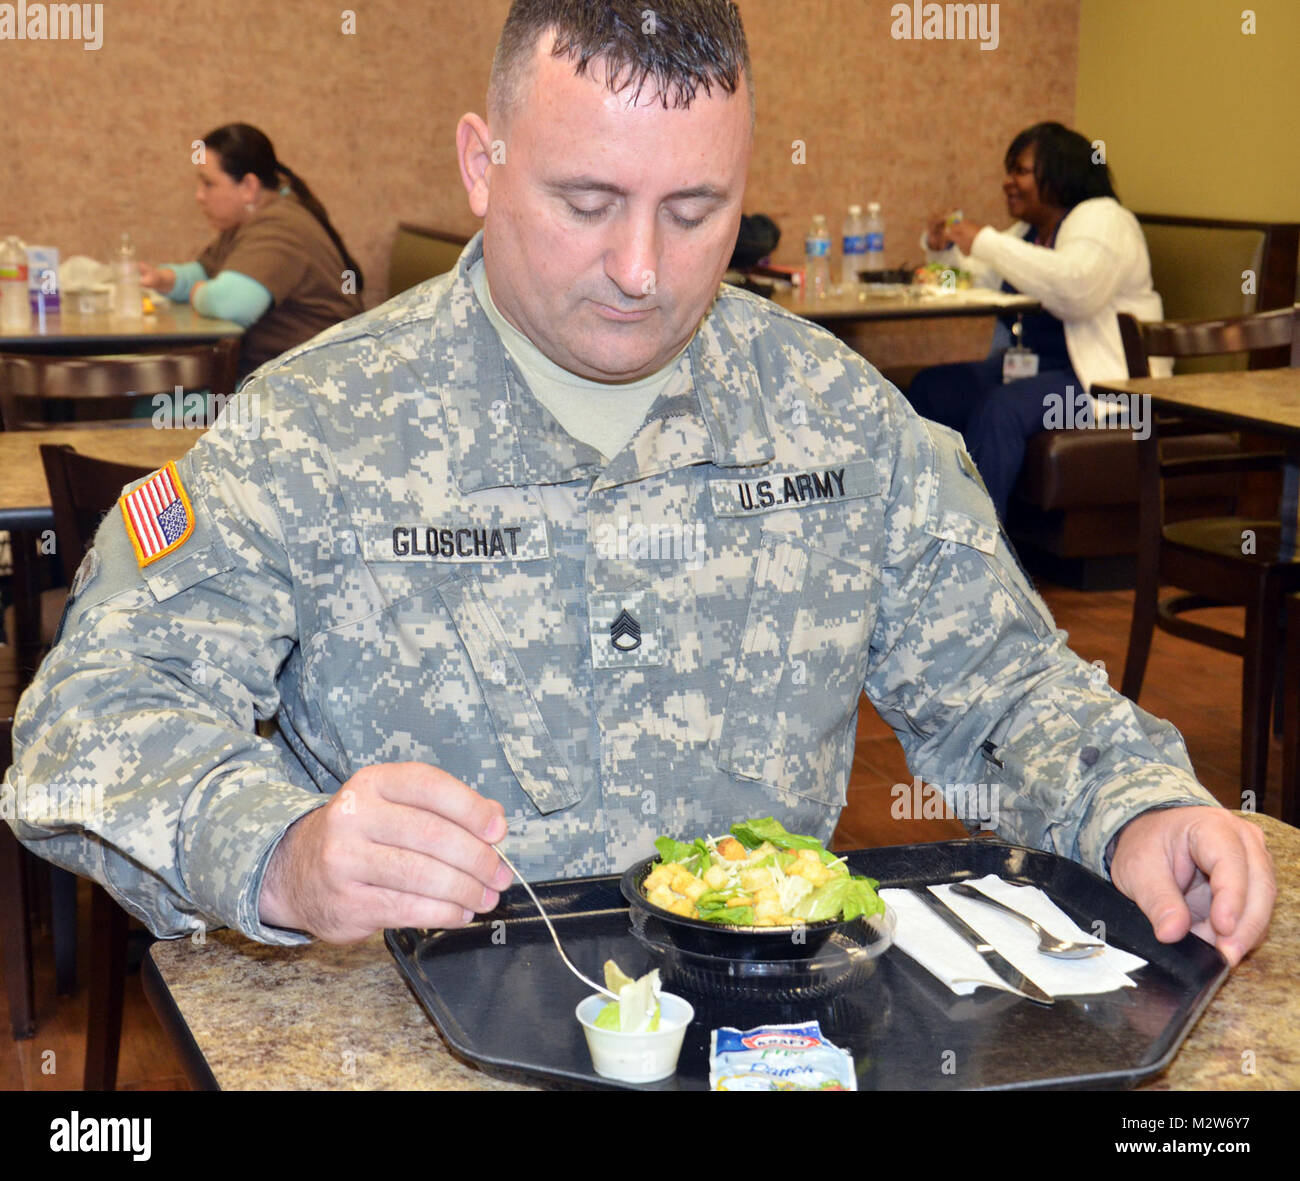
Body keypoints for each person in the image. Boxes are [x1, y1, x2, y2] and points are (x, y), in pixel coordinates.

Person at [3, 1, 1272, 967]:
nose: (637, 267)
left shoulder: (834, 420)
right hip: (404, 1024)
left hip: (763, 1025)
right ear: (480, 163)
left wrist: (1132, 807)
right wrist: (280, 851)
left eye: (694, 209)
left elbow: (1003, 685)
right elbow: (83, 724)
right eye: (587, 198)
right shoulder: (314, 426)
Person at [905, 122, 1169, 519]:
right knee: (931, 390)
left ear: (1060, 172)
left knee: (1000, 411)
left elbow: (1075, 292)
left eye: (1020, 171)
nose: (1008, 182)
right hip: (1039, 372)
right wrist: (945, 253)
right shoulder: (1030, 231)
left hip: (1106, 386)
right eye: (1008, 171)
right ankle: (917, 526)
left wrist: (986, 240)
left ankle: (978, 556)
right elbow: (981, 277)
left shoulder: (1105, 219)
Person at [138, 123, 366, 381]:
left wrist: (197, 293)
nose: (199, 196)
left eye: (208, 184)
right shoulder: (246, 221)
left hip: (315, 389)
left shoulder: (281, 227)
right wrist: (165, 279)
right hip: (281, 379)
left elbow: (230, 304)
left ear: (248, 186)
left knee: (153, 407)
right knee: (153, 397)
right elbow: (205, 270)